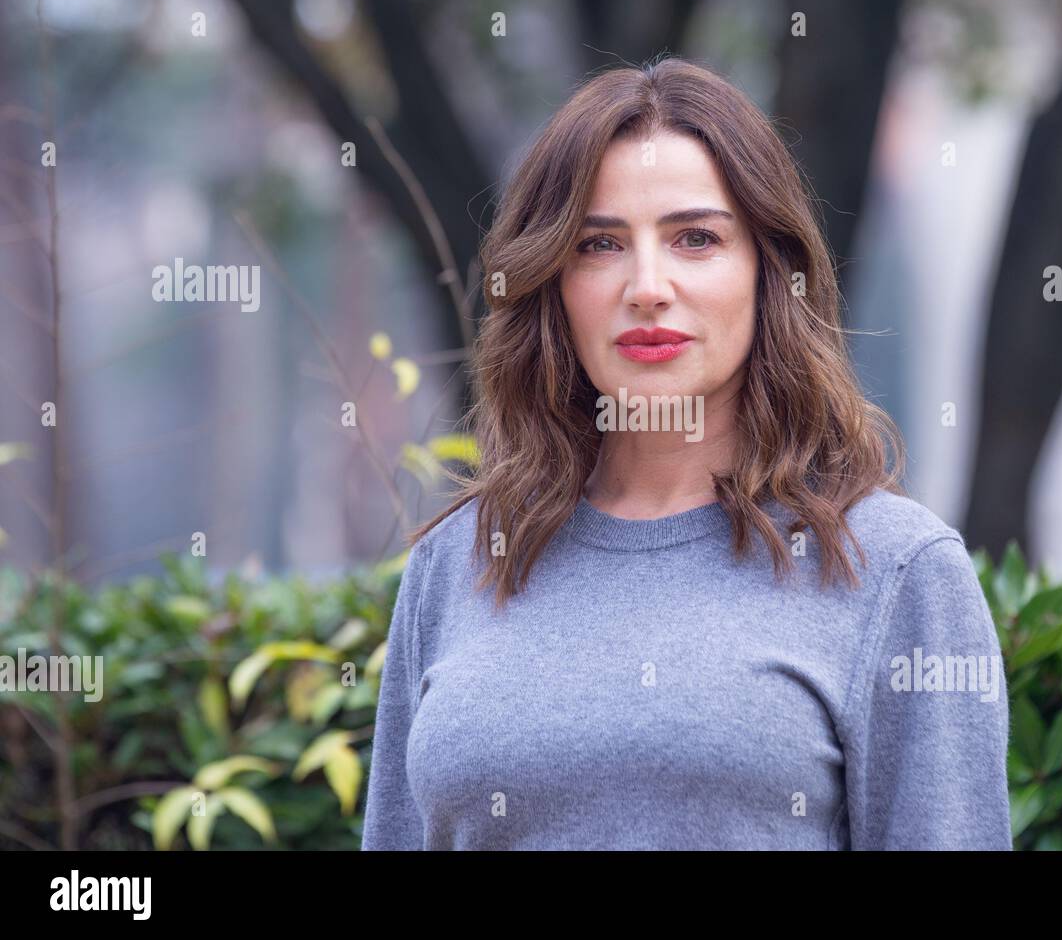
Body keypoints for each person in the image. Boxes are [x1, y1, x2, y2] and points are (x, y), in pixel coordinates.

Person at [361, 57, 1011, 850]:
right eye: (599, 245)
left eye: (695, 239)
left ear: (770, 273)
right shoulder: (458, 561)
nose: (647, 284)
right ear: (553, 284)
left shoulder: (896, 569)